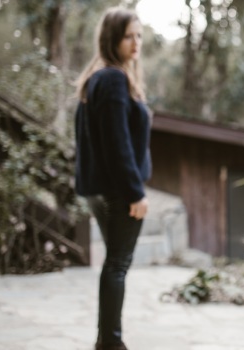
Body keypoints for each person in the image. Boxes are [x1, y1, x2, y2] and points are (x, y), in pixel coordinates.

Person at [74, 7, 151, 350]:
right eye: (128, 36)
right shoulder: (114, 80)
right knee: (118, 264)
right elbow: (117, 144)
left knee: (114, 263)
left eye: (139, 35)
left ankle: (105, 340)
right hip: (118, 192)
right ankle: (111, 343)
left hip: (101, 190)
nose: (136, 43)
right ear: (112, 39)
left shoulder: (98, 78)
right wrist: (135, 193)